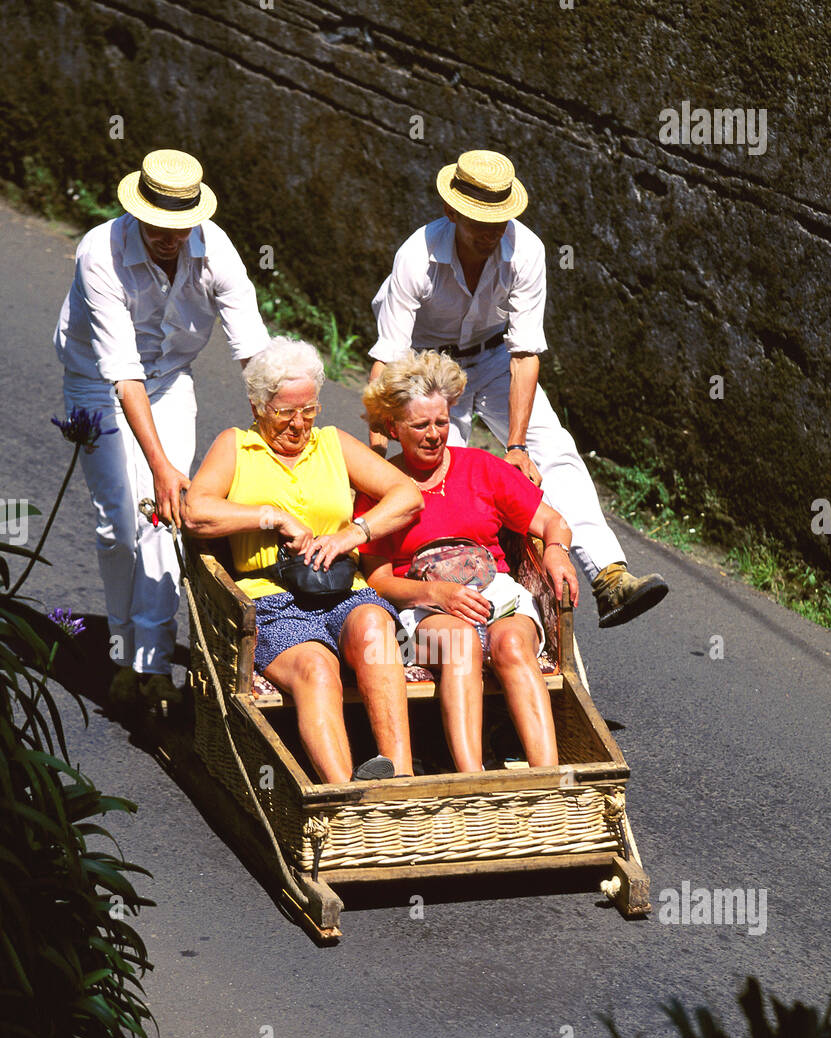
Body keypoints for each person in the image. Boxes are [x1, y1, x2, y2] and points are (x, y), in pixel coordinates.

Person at [367, 148, 668, 629]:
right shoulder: (415, 257)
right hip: (427, 367)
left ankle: (609, 576)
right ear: (452, 212)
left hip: (492, 358)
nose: (492, 232)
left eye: (500, 220)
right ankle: (452, 612)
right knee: (446, 477)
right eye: (480, 221)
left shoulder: (526, 250)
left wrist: (517, 445)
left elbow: (525, 353)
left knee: (556, 449)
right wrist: (381, 444)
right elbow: (388, 359)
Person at [54, 148, 270, 708]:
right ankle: (122, 650)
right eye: (158, 224)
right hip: (97, 383)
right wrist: (161, 465)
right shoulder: (99, 251)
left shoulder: (215, 248)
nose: (169, 236)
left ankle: (148, 666)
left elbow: (254, 351)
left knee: (163, 517)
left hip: (170, 381)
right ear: (137, 209)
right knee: (118, 524)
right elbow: (121, 372)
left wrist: (283, 424)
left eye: (181, 226)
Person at [182, 336, 423, 784]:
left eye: (308, 410)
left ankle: (399, 779)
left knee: (374, 628)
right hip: (271, 600)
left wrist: (353, 533)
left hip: (342, 589)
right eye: (285, 412)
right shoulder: (236, 446)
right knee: (316, 667)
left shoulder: (333, 444)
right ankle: (343, 796)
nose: (298, 424)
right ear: (258, 406)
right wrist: (271, 517)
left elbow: (407, 495)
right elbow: (195, 512)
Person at [356, 350, 579, 774]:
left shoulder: (481, 467)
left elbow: (552, 522)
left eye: (442, 422)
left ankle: (548, 779)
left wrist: (555, 550)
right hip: (422, 606)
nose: (435, 434)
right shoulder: (380, 486)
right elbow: (379, 581)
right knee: (459, 645)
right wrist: (436, 593)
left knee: (512, 644)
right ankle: (471, 778)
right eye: (420, 425)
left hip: (495, 592)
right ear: (392, 427)